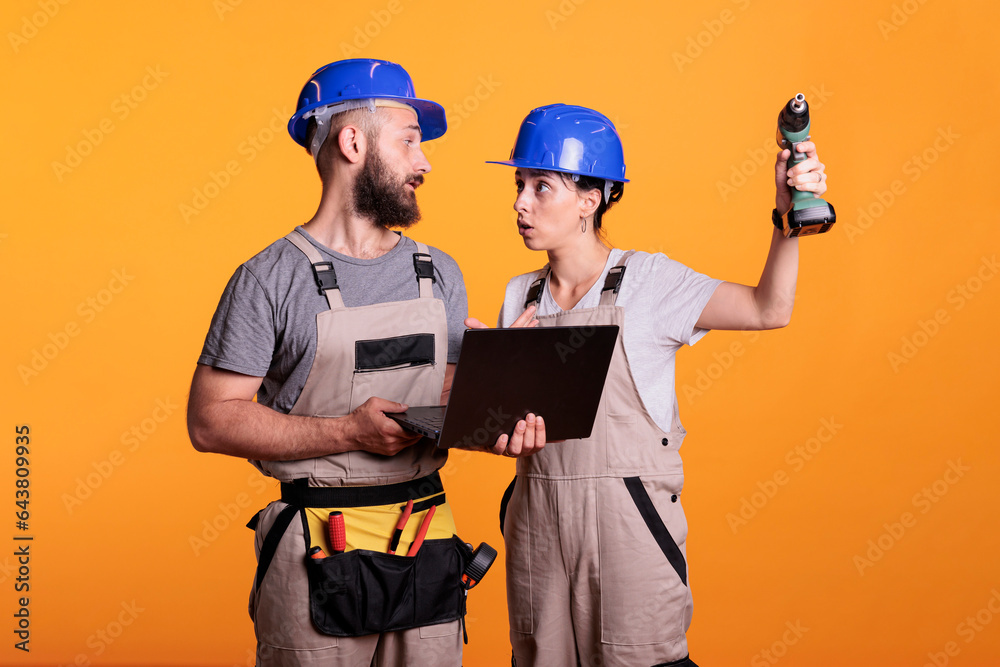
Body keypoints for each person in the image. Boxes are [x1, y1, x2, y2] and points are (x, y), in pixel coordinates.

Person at [186, 59, 540, 667]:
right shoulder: (268, 280)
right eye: (409, 140)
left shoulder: (440, 273)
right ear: (353, 142)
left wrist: (499, 391)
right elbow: (210, 421)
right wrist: (347, 432)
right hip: (317, 551)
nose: (424, 162)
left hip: (425, 540)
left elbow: (441, 394)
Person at [475, 103, 828, 666]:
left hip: (628, 529)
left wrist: (787, 218)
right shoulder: (520, 296)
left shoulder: (648, 281)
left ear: (590, 200)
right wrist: (482, 381)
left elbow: (769, 308)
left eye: (541, 186)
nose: (520, 202)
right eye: (520, 184)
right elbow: (510, 431)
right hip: (537, 531)